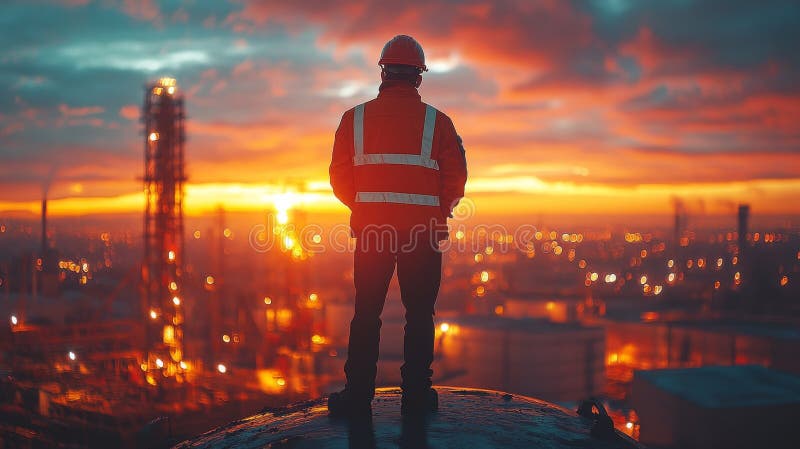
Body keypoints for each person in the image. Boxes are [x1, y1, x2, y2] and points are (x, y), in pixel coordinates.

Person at [328, 35, 468, 416]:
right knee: (420, 314)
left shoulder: (353, 119)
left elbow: (339, 178)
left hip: (373, 233)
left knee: (367, 312)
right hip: (423, 234)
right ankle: (417, 396)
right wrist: (437, 211)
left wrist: (367, 207)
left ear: (383, 73)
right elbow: (455, 180)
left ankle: (357, 397)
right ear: (418, 78)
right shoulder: (438, 122)